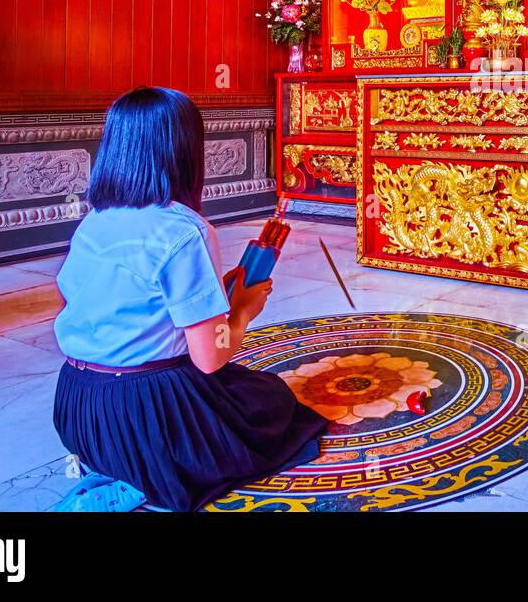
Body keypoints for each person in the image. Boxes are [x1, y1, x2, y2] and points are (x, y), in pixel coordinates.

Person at [51, 86, 328, 511]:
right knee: (269, 401)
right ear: (184, 150)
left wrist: (213, 290)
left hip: (79, 409)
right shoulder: (185, 229)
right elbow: (211, 359)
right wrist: (242, 311)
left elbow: (132, 298)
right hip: (140, 416)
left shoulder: (94, 221)